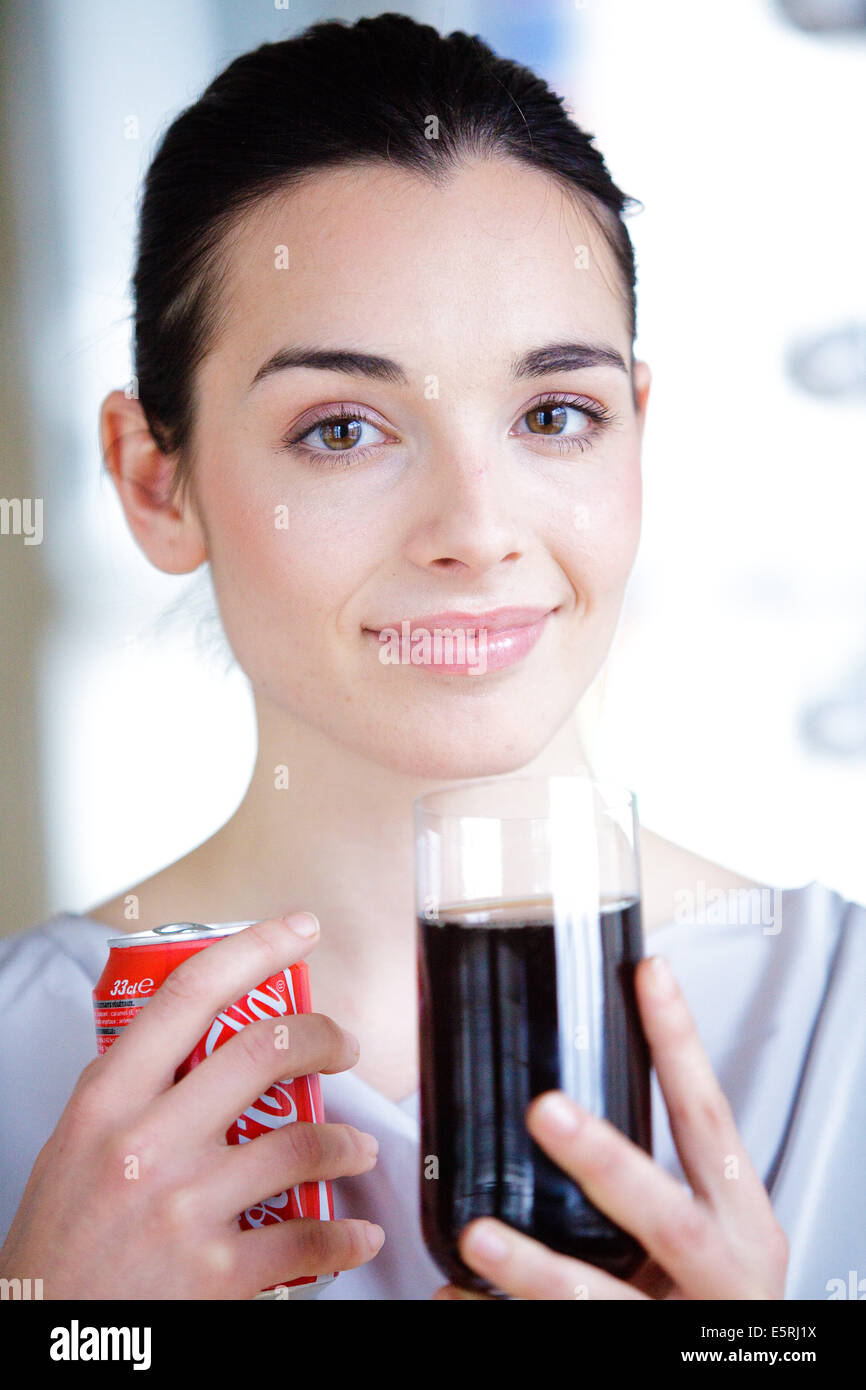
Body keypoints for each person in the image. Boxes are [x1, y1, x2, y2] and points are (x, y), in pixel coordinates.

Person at [0, 13, 862, 1302]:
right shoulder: (20, 1061)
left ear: (639, 433)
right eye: (343, 430)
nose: (475, 530)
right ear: (153, 478)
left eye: (556, 414)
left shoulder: (841, 1030)